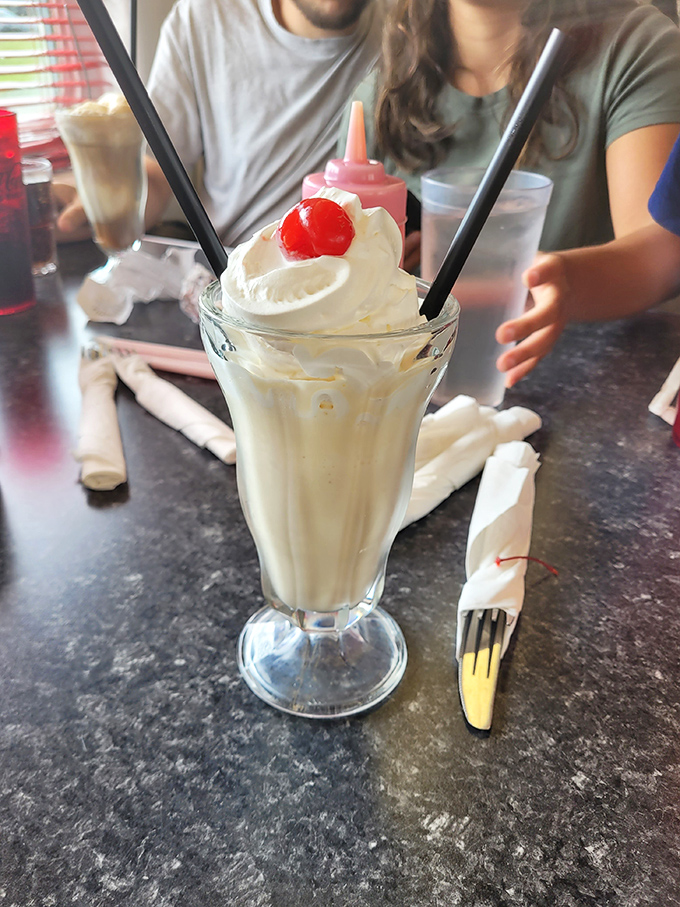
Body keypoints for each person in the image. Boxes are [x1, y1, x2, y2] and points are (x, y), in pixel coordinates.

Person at [339, 0, 680, 385]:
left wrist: (568, 281)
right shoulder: (382, 96)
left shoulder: (632, 46)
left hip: (604, 384)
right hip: (423, 384)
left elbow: (665, 251)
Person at [57, 0, 381, 248]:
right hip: (230, 279)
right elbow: (159, 171)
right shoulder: (203, 18)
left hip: (365, 288)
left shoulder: (414, 31)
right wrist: (104, 200)